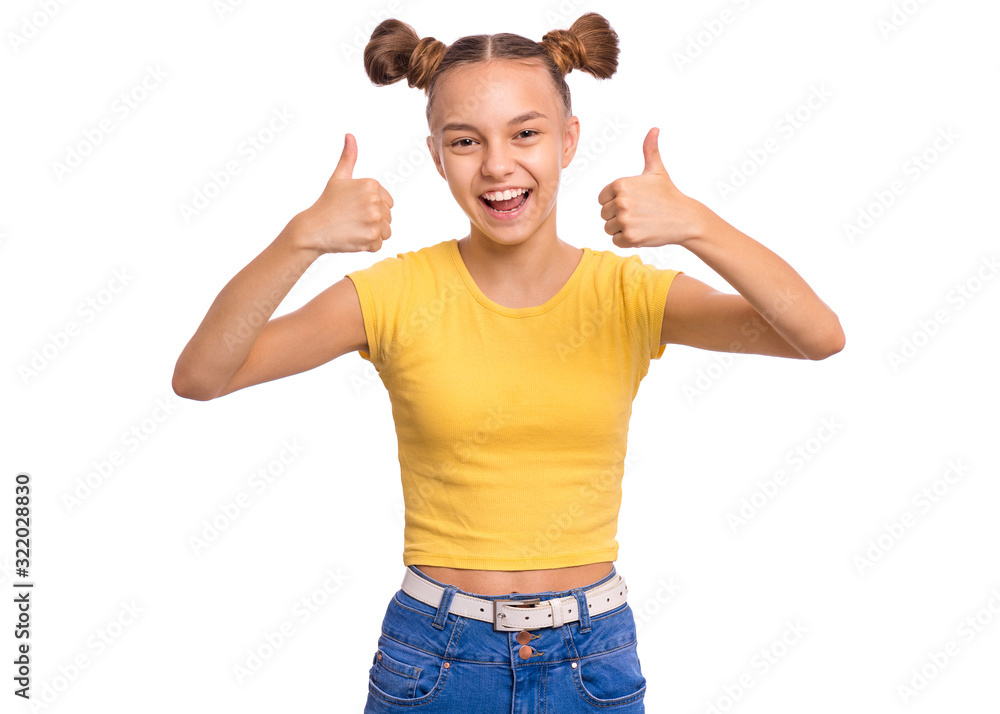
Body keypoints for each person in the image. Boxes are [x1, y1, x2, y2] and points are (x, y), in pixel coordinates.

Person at [172, 12, 844, 712]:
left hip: (593, 656)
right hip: (435, 658)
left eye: (526, 133)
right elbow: (203, 375)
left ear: (568, 140)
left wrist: (698, 225)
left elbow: (816, 334)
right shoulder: (397, 294)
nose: (497, 165)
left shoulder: (628, 294)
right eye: (466, 141)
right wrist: (300, 239)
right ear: (436, 155)